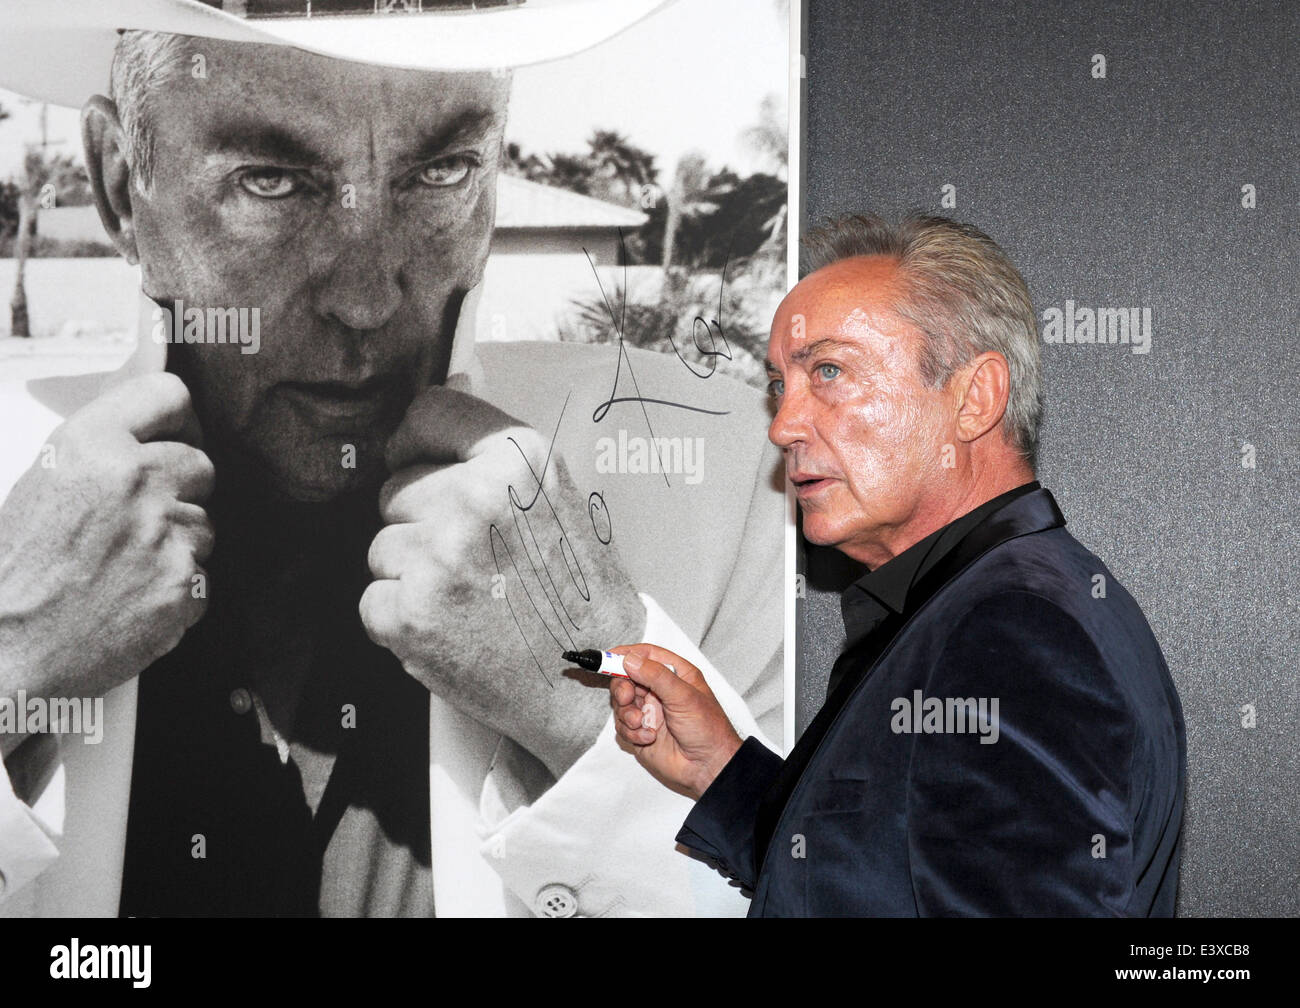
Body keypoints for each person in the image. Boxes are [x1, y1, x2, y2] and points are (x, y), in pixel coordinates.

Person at [0, 0, 783, 917]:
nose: (368, 297)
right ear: (121, 186)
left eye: (441, 171)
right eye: (271, 181)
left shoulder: (726, 496)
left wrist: (591, 710)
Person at [610, 212, 1187, 916]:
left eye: (828, 371)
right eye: (779, 383)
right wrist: (718, 767)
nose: (782, 424)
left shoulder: (1013, 632)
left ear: (974, 399)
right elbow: (872, 883)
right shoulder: (974, 609)